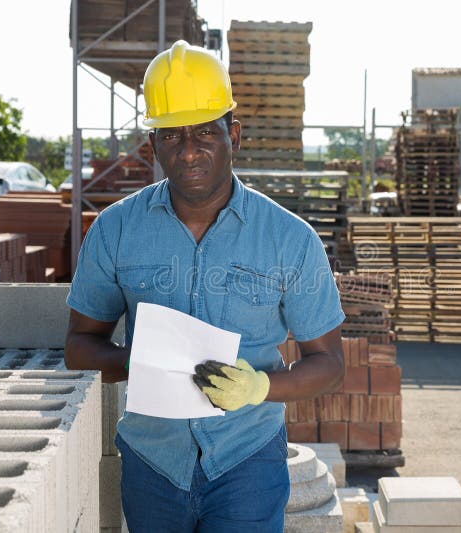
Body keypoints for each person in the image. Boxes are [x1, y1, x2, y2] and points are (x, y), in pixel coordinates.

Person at [64, 40, 345, 533]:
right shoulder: (115, 230)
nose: (189, 150)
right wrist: (140, 361)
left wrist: (260, 387)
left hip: (247, 461)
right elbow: (78, 346)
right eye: (171, 135)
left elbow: (330, 364)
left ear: (233, 134)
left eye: (205, 133)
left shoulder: (289, 240)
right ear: (153, 144)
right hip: (153, 462)